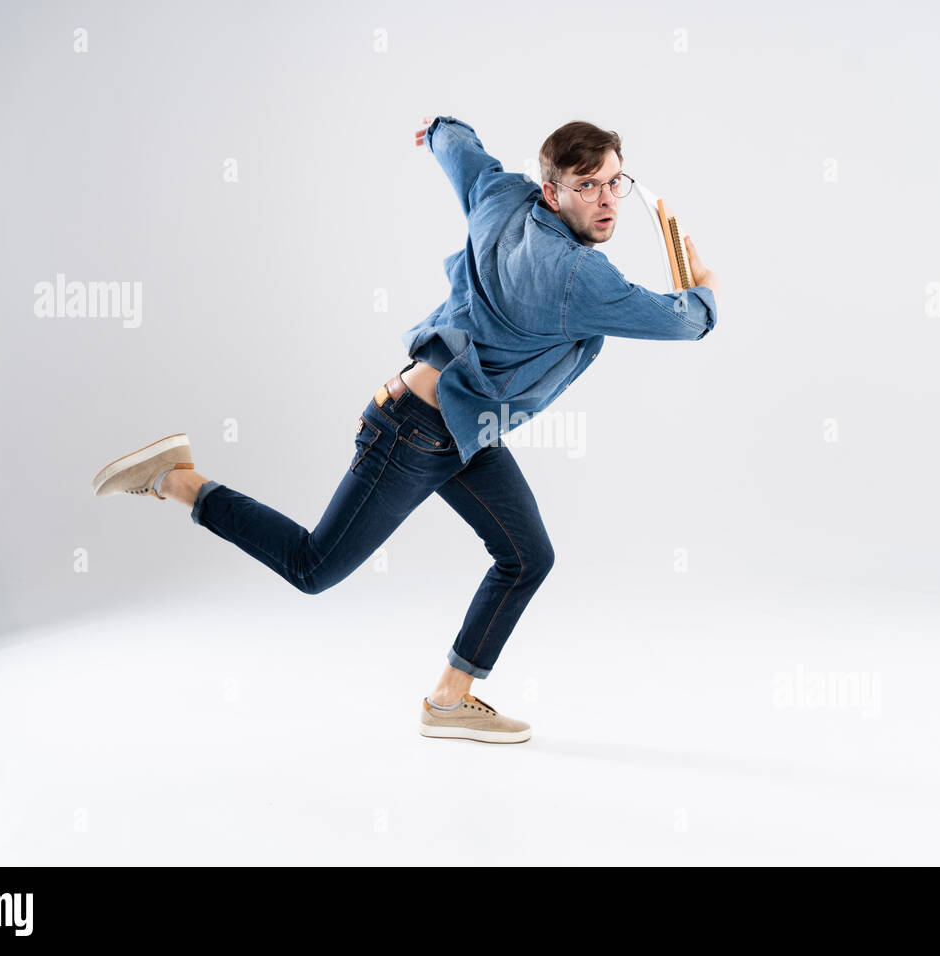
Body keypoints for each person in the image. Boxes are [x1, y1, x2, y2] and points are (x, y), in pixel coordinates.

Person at [90, 115, 720, 745]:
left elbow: (464, 157)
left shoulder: (505, 198)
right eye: (588, 186)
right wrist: (706, 287)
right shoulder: (577, 277)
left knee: (527, 556)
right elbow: (685, 322)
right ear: (552, 191)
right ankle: (178, 479)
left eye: (615, 183)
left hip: (466, 427)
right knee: (313, 568)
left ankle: (449, 699)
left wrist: (441, 126)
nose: (607, 201)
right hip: (414, 432)